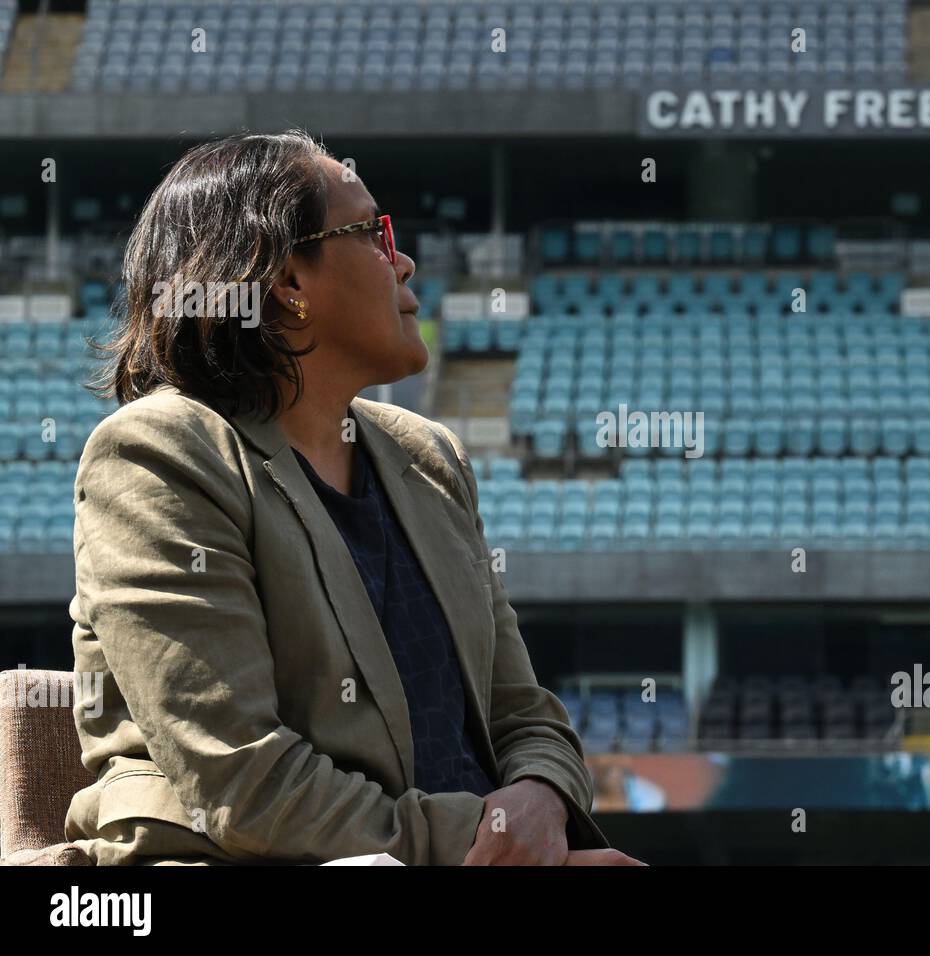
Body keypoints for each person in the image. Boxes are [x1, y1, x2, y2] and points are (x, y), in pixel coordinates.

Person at [64, 129, 642, 866]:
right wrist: (480, 840)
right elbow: (245, 780)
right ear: (286, 284)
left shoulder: (428, 455)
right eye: (372, 233)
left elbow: (523, 715)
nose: (402, 260)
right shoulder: (160, 454)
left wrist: (541, 799)